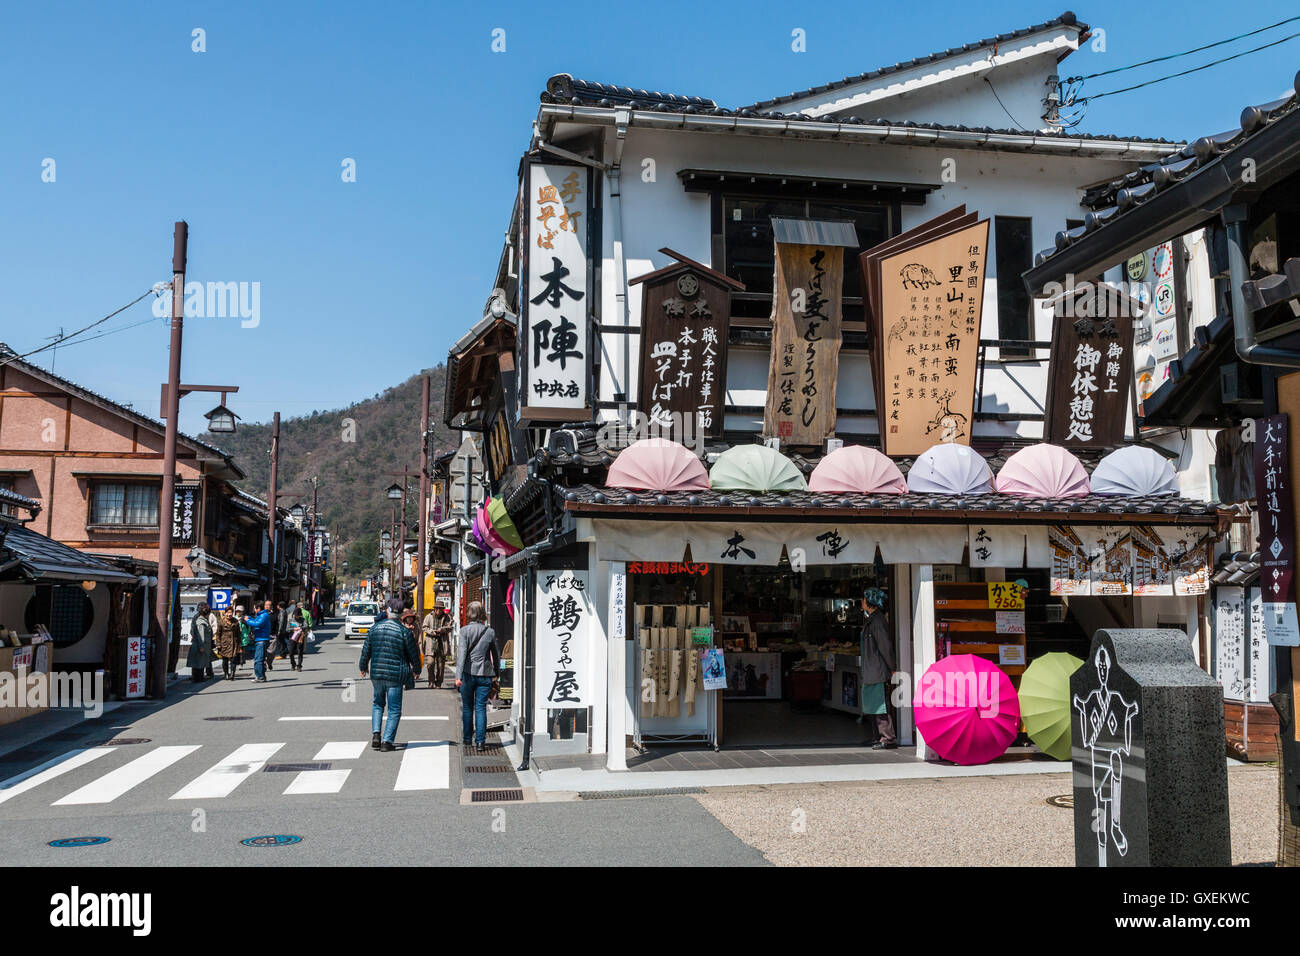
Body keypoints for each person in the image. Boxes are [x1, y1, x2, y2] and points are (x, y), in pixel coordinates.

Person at [359, 597, 421, 752]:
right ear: (401, 614)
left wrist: (363, 666)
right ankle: (387, 741)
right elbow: (414, 653)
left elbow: (366, 649)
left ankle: (376, 734)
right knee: (394, 709)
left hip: (377, 674)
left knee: (378, 703)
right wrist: (417, 669)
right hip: (395, 675)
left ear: (388, 611)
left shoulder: (375, 628)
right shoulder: (404, 631)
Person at [455, 601, 499, 752]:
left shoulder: (464, 631)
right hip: (485, 674)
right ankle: (480, 742)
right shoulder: (489, 632)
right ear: (481, 614)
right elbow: (495, 654)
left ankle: (467, 739)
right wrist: (497, 672)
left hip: (467, 673)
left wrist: (458, 676)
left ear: (468, 613)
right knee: (481, 708)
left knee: (467, 707)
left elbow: (461, 655)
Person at [860, 587, 897, 749]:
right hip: (871, 669)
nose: (861, 602)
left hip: (876, 669)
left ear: (869, 602)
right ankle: (877, 736)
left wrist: (892, 667)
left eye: (863, 599)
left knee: (880, 704)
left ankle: (888, 738)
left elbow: (885, 646)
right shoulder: (872, 619)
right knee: (872, 704)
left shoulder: (877, 621)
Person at [422, 606, 452, 688]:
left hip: (442, 643)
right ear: (434, 609)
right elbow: (424, 627)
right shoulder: (429, 616)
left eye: (441, 609)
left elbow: (450, 627)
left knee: (440, 665)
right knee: (430, 663)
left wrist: (442, 630)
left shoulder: (447, 617)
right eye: (437, 609)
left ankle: (439, 682)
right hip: (431, 643)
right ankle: (431, 681)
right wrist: (432, 632)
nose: (439, 611)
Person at [246, 600, 274, 683]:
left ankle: (259, 677)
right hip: (261, 639)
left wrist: (247, 621)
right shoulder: (262, 615)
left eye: (255, 608)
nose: (254, 610)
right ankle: (261, 676)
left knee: (258, 659)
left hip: (261, 639)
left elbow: (257, 624)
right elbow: (256, 621)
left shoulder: (264, 615)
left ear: (258, 608)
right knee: (261, 659)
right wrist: (250, 618)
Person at [186, 602, 214, 682]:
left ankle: (197, 677)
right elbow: (201, 635)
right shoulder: (201, 622)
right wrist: (201, 646)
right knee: (199, 662)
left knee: (199, 661)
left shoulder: (201, 619)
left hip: (201, 644)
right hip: (201, 645)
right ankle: (198, 678)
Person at [214, 605, 242, 680]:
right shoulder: (221, 622)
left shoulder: (236, 621)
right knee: (225, 660)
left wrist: (240, 644)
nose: (229, 614)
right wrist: (218, 644)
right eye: (227, 612)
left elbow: (239, 634)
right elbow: (218, 634)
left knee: (234, 660)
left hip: (234, 644)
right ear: (225, 613)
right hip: (224, 644)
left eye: (231, 612)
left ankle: (232, 674)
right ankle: (226, 673)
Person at [287, 605, 306, 671]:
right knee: (291, 652)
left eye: (298, 615)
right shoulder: (291, 620)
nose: (296, 616)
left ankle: (299, 666)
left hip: (300, 637)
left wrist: (300, 628)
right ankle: (293, 664)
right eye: (295, 615)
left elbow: (306, 626)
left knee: (300, 652)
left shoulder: (303, 620)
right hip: (292, 637)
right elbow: (287, 629)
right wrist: (293, 629)